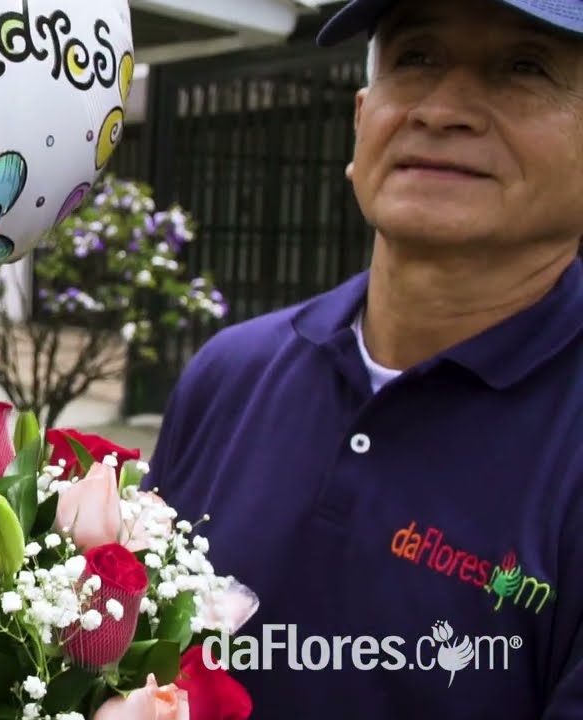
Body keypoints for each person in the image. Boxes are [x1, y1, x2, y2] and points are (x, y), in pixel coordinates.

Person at [139, 0, 582, 717]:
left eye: (523, 68)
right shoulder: (231, 373)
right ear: (361, 118)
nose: (442, 110)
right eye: (415, 58)